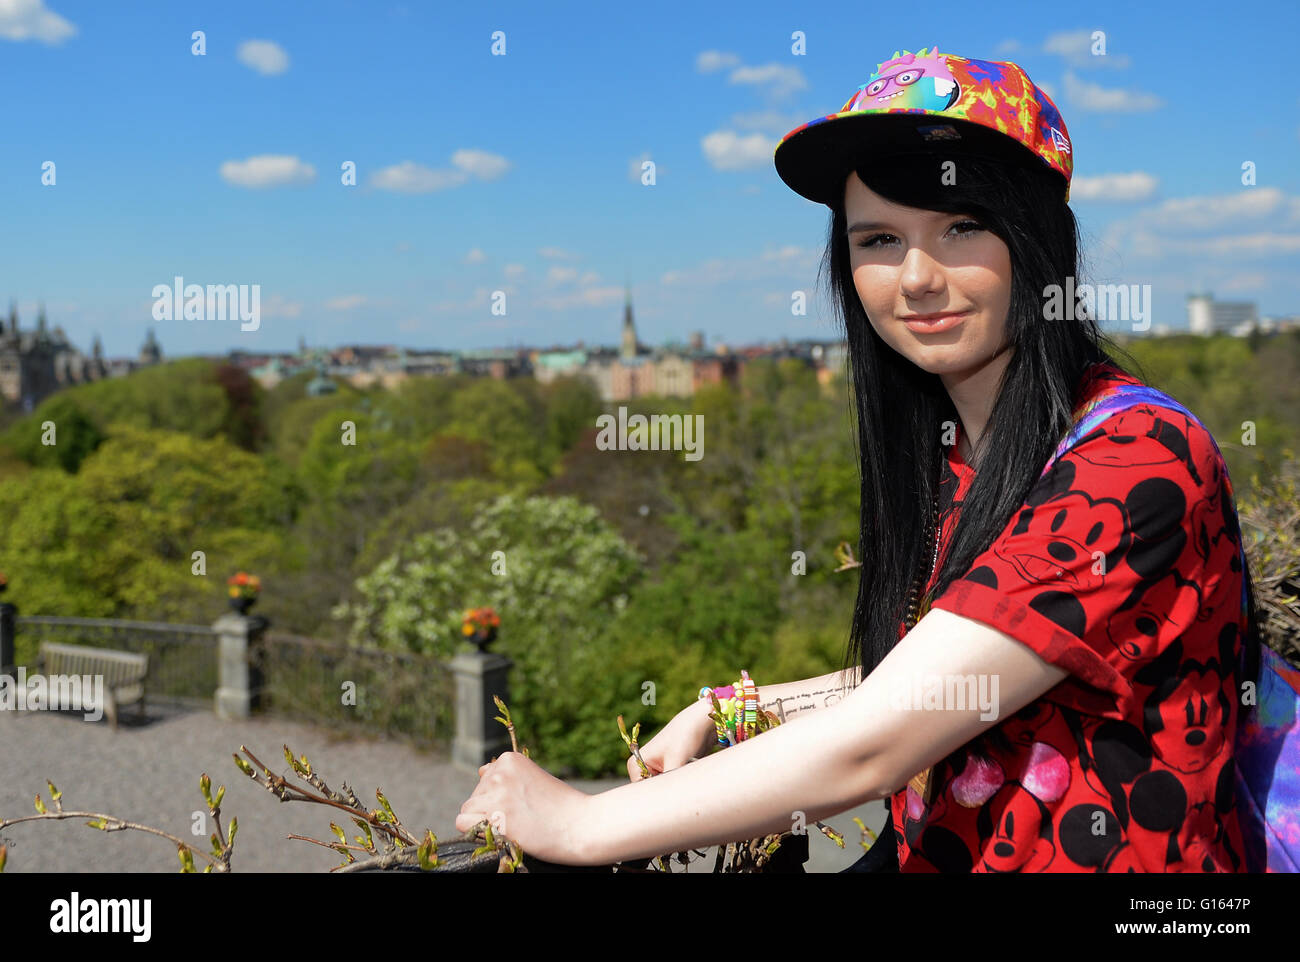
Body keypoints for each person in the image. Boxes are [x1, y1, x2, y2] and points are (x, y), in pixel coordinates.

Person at [456, 47, 1264, 872]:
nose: (915, 277)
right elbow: (955, 682)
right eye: (878, 238)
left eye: (961, 227)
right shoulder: (966, 457)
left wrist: (583, 824)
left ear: (1039, 240)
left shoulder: (1137, 460)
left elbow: (874, 747)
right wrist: (736, 710)